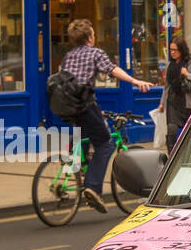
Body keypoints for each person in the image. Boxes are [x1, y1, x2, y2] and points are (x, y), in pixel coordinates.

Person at [58, 19, 152, 212]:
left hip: (69, 106)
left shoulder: (68, 56)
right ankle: (92, 188)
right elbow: (112, 70)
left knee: (86, 137)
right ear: (90, 37)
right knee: (106, 144)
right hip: (85, 104)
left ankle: (81, 167)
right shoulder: (95, 53)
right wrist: (135, 81)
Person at [158, 35, 191, 152]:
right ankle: (172, 156)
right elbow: (167, 87)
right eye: (171, 50)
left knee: (190, 132)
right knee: (171, 130)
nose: (172, 53)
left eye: (175, 50)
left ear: (182, 50)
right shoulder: (171, 65)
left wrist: (187, 74)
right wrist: (162, 103)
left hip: (187, 104)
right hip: (173, 103)